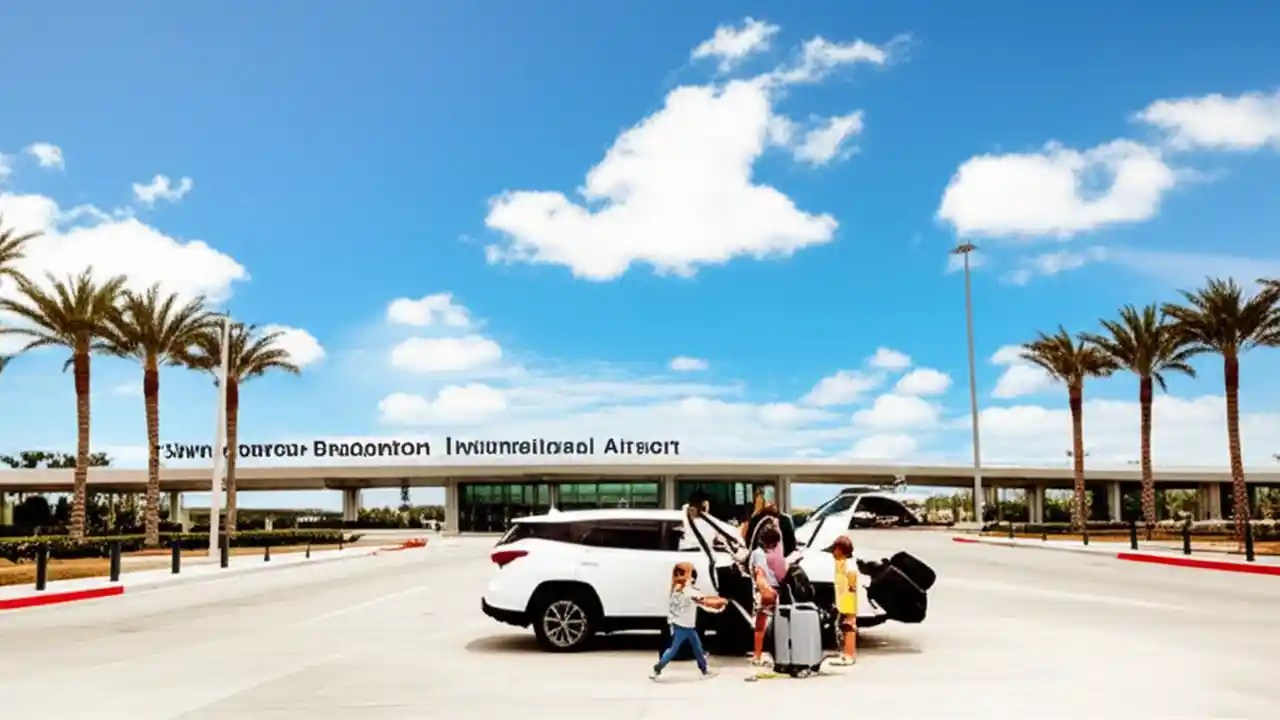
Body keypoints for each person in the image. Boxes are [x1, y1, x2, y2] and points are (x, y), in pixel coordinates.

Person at [651, 561, 725, 680]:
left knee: (697, 648)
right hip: (684, 626)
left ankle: (704, 670)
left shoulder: (675, 588)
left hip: (682, 625)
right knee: (673, 650)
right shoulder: (689, 590)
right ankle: (657, 668)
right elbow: (704, 600)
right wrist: (722, 601)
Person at [748, 521, 787, 666]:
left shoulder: (757, 554)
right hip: (779, 589)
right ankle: (781, 655)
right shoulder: (779, 552)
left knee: (760, 625)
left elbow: (758, 573)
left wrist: (764, 589)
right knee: (780, 625)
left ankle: (757, 656)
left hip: (764, 591)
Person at [827, 535, 858, 665]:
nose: (834, 552)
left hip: (848, 599)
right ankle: (845, 652)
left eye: (835, 549)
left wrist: (848, 594)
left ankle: (849, 654)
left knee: (849, 626)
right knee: (843, 627)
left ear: (841, 550)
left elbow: (852, 581)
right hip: (842, 599)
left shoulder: (849, 564)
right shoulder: (839, 563)